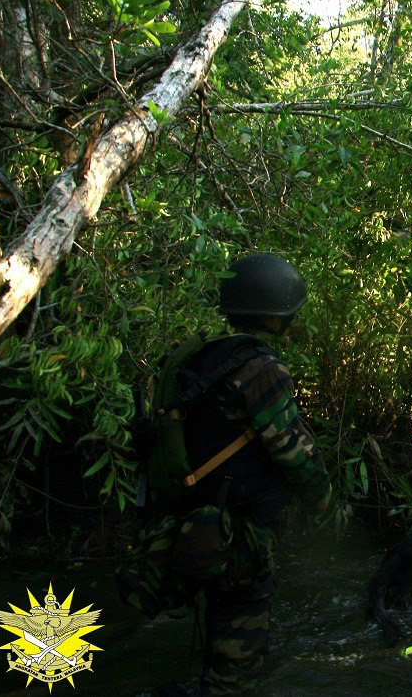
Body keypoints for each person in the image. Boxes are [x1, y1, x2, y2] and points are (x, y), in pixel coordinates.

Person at [124, 253, 331, 695]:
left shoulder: (196, 354)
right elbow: (297, 456)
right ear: (276, 315)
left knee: (211, 643)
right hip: (235, 536)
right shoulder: (260, 368)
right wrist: (325, 509)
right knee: (235, 672)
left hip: (184, 524)